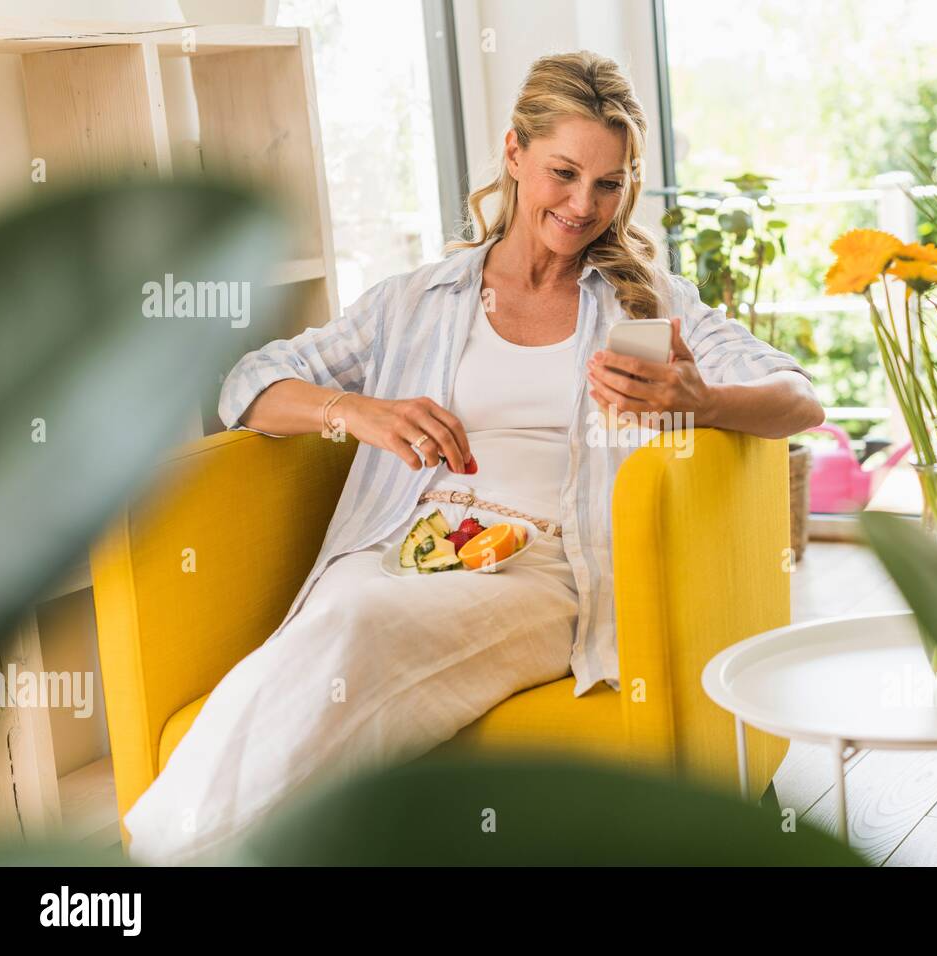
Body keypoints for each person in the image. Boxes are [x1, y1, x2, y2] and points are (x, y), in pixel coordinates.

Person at [121, 49, 825, 865]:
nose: (583, 203)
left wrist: (697, 401)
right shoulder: (419, 301)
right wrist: (354, 412)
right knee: (329, 626)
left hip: (545, 568)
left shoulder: (648, 305)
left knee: (356, 625)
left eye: (610, 182)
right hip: (401, 543)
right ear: (514, 154)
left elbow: (795, 397)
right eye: (564, 172)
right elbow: (249, 383)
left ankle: (150, 863)